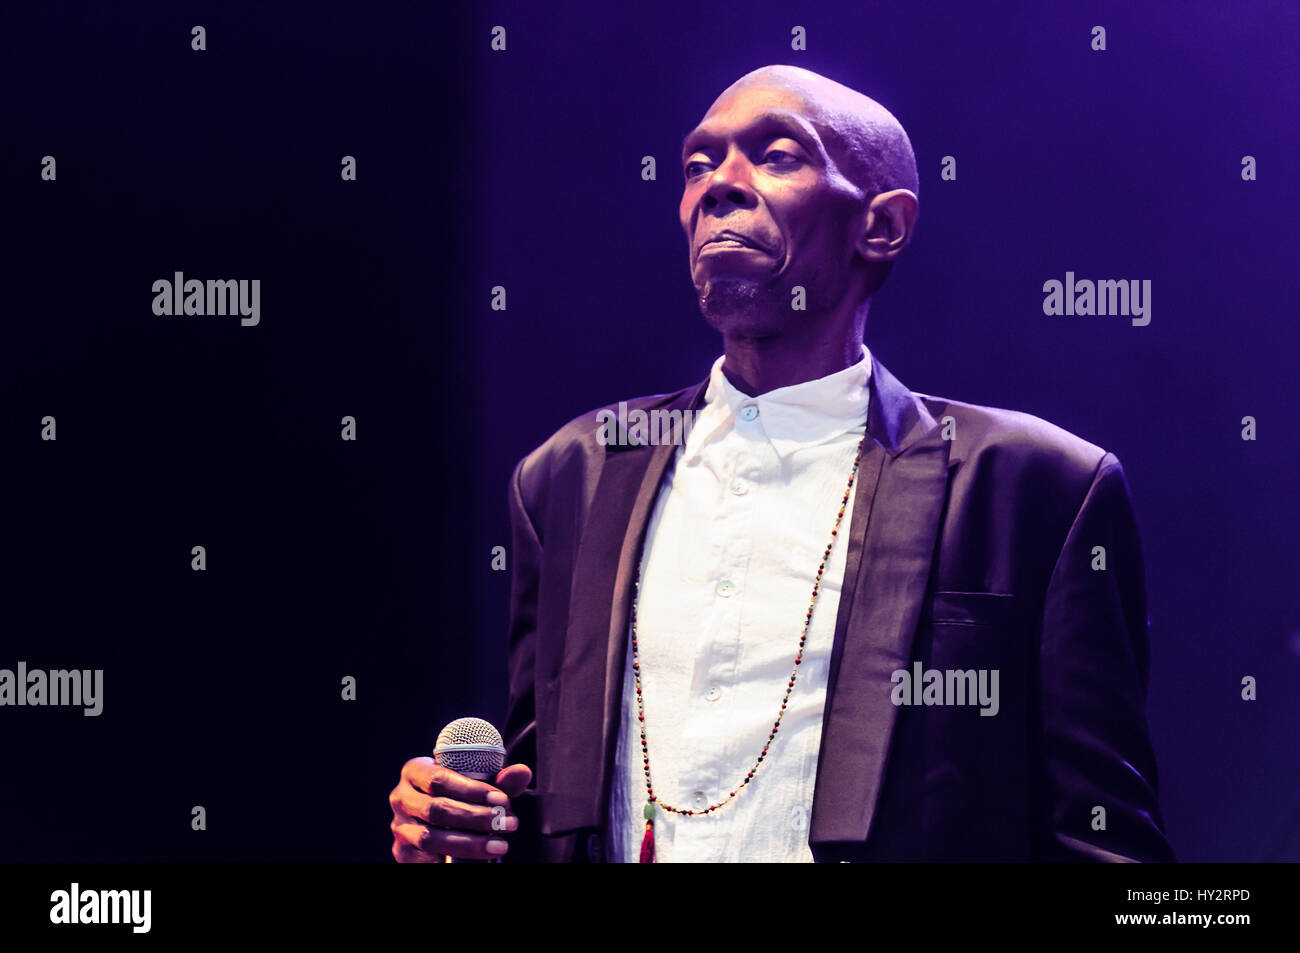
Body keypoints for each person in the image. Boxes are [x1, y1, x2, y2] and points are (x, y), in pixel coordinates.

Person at [389, 64, 1175, 863]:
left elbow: (1107, 841)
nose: (716, 187)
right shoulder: (570, 475)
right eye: (697, 165)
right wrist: (456, 827)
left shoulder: (1037, 487)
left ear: (883, 225)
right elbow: (538, 809)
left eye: (776, 155)